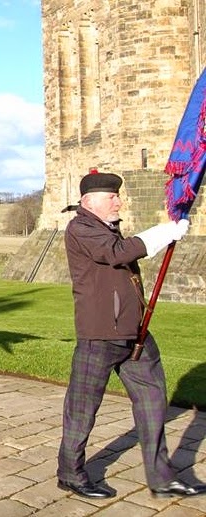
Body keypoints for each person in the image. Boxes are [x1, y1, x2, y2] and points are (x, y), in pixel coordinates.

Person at [57, 171, 206, 499]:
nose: (118, 201)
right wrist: (163, 233)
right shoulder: (81, 227)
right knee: (82, 408)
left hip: (135, 333)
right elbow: (116, 253)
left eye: (117, 195)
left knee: (153, 402)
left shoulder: (105, 226)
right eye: (112, 197)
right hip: (99, 334)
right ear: (89, 202)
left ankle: (162, 476)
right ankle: (70, 472)